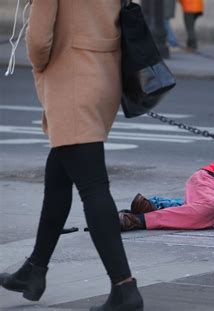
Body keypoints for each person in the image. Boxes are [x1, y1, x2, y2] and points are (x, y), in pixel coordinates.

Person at [0, 1, 144, 310]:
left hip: (73, 80)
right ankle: (35, 269)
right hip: (103, 74)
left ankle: (124, 287)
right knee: (59, 177)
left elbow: (39, 42)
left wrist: (42, 67)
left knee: (93, 186)